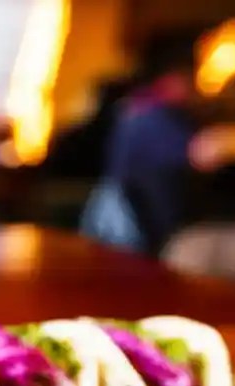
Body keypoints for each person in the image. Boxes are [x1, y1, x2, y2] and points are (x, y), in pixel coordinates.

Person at [80, 33, 219, 257]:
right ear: (173, 78)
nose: (196, 87)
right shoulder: (153, 118)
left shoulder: (137, 107)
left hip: (127, 220)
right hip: (139, 226)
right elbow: (204, 155)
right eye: (192, 78)